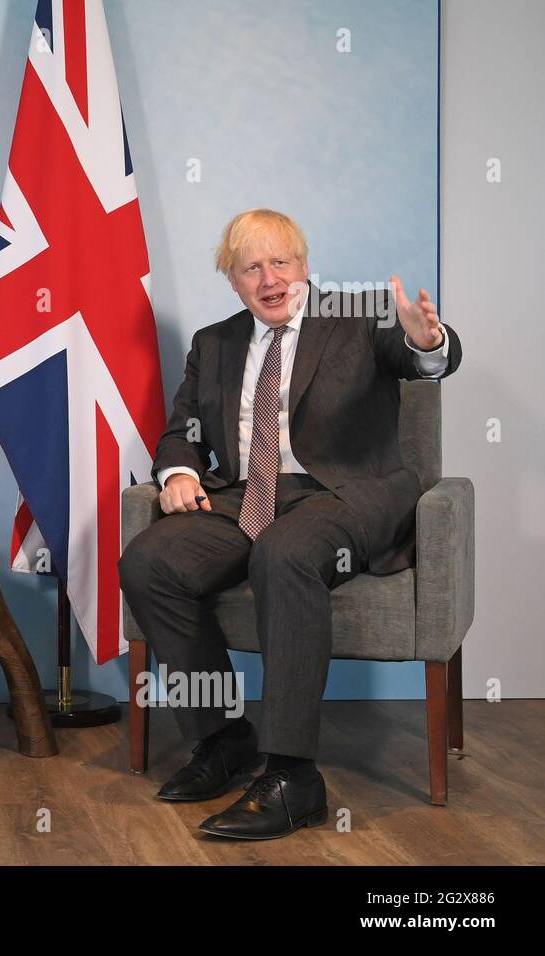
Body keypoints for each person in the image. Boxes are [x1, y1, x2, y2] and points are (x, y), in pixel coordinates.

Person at [118, 208, 461, 840]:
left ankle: (293, 776)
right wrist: (180, 472)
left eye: (281, 262)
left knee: (283, 554)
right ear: (233, 280)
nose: (269, 279)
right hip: (249, 495)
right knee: (147, 563)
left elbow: (421, 356)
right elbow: (182, 430)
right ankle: (224, 738)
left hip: (344, 493)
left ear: (304, 266)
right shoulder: (214, 344)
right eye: (251, 268)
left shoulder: (359, 316)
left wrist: (426, 342)